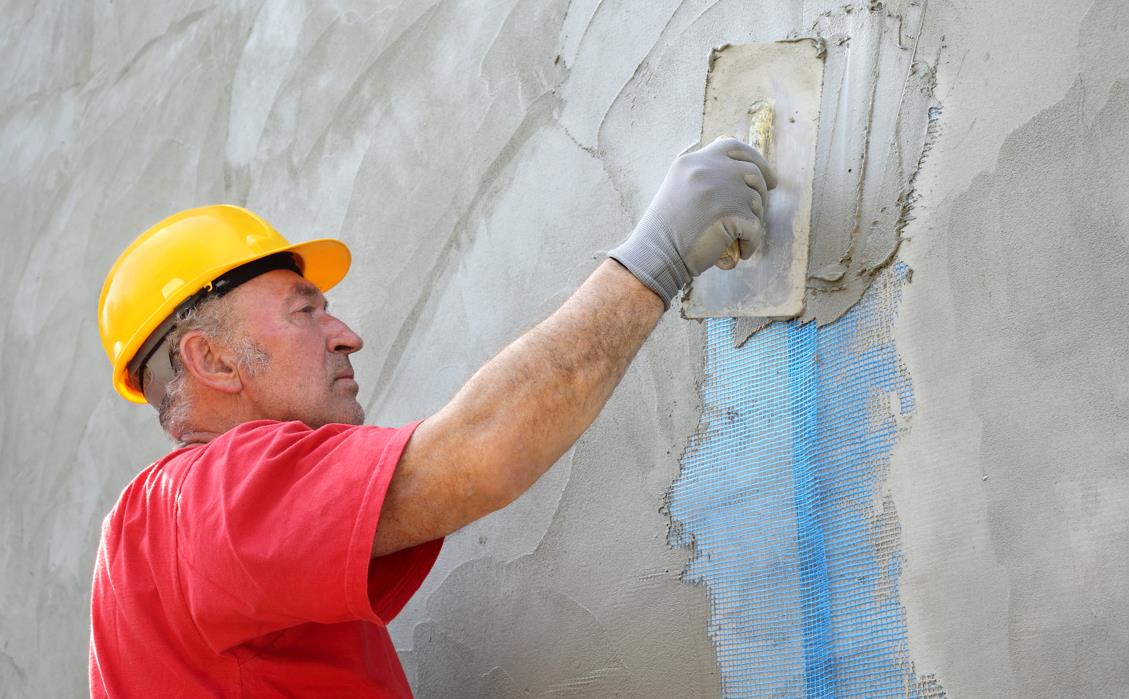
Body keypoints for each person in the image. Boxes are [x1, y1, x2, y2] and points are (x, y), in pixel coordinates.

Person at [89, 137, 775, 697]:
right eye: (306, 310)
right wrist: (657, 256)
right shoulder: (209, 499)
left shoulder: (168, 539)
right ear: (212, 360)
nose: (345, 334)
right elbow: (479, 452)